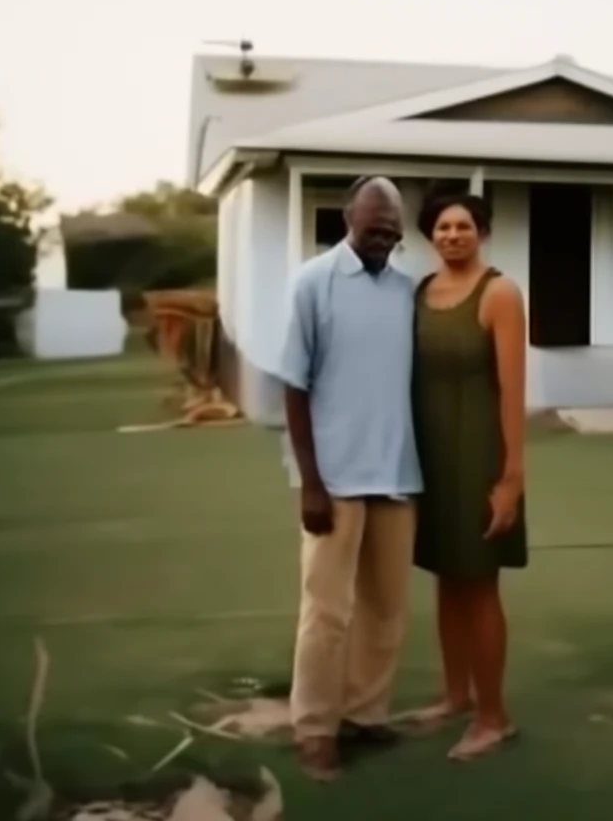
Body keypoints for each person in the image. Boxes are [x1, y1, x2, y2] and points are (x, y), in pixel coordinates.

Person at [275, 176, 422, 781]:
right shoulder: (313, 282)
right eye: (374, 227)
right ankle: (314, 729)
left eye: (392, 230)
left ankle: (366, 714)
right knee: (327, 610)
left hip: (398, 474)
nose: (384, 237)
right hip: (333, 478)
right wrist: (309, 480)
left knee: (386, 608)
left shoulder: (409, 291)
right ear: (347, 221)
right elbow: (294, 385)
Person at [410, 189, 528, 761]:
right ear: (429, 235)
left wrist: (510, 478)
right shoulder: (419, 292)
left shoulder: (500, 293)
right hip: (430, 459)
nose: (452, 235)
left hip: (480, 457)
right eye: (442, 227)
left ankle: (493, 716)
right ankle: (456, 696)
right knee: (446, 578)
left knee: (479, 584)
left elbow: (512, 391)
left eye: (463, 226)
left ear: (482, 232)